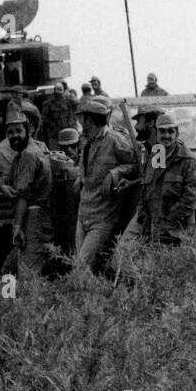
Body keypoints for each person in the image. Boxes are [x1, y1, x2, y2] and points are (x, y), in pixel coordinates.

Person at [72, 96, 138, 274]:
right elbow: (85, 169)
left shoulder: (115, 140)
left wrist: (115, 173)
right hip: (83, 213)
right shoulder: (86, 141)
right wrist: (80, 177)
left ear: (89, 120)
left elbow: (136, 164)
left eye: (82, 119)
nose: (80, 123)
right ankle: (97, 299)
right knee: (87, 268)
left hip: (102, 218)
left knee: (81, 267)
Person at [131, 112, 196, 244]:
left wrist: (169, 219)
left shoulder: (188, 160)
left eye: (171, 131)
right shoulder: (155, 158)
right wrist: (143, 217)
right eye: (162, 131)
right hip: (154, 230)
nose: (166, 136)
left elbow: (192, 197)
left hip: (178, 232)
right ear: (156, 133)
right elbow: (146, 190)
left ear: (177, 133)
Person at [0, 108, 52, 272]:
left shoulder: (29, 154)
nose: (14, 135)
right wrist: (2, 186)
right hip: (29, 216)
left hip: (34, 217)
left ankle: (27, 297)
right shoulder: (21, 154)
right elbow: (5, 177)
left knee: (29, 273)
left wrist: (17, 227)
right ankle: (9, 298)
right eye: (10, 132)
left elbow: (22, 196)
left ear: (28, 130)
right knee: (8, 270)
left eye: (18, 131)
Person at [48, 127, 81, 257]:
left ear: (78, 145)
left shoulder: (85, 160)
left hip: (78, 212)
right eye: (65, 147)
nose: (69, 151)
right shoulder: (55, 162)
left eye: (72, 146)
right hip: (61, 214)